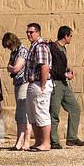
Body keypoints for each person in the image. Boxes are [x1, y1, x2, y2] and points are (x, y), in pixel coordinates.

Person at [49, 26, 84, 149]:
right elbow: (52, 67)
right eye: (70, 36)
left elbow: (63, 64)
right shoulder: (53, 48)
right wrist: (65, 74)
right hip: (56, 83)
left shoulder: (62, 48)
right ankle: (54, 141)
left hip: (64, 83)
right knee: (54, 113)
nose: (71, 38)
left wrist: (70, 69)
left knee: (75, 108)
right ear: (65, 36)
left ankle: (72, 138)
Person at [23, 23, 53, 152]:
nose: (29, 34)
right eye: (27, 32)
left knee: (42, 113)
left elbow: (44, 66)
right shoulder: (34, 46)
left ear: (38, 33)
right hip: (32, 83)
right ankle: (38, 141)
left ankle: (46, 143)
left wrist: (42, 85)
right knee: (33, 115)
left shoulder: (40, 46)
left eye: (31, 32)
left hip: (39, 84)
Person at [2, 31, 31, 150]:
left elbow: (15, 68)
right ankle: (19, 141)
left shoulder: (22, 50)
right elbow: (9, 66)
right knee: (20, 114)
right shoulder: (14, 52)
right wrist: (11, 68)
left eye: (9, 46)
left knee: (24, 113)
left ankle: (26, 142)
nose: (9, 49)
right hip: (17, 83)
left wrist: (11, 68)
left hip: (24, 83)